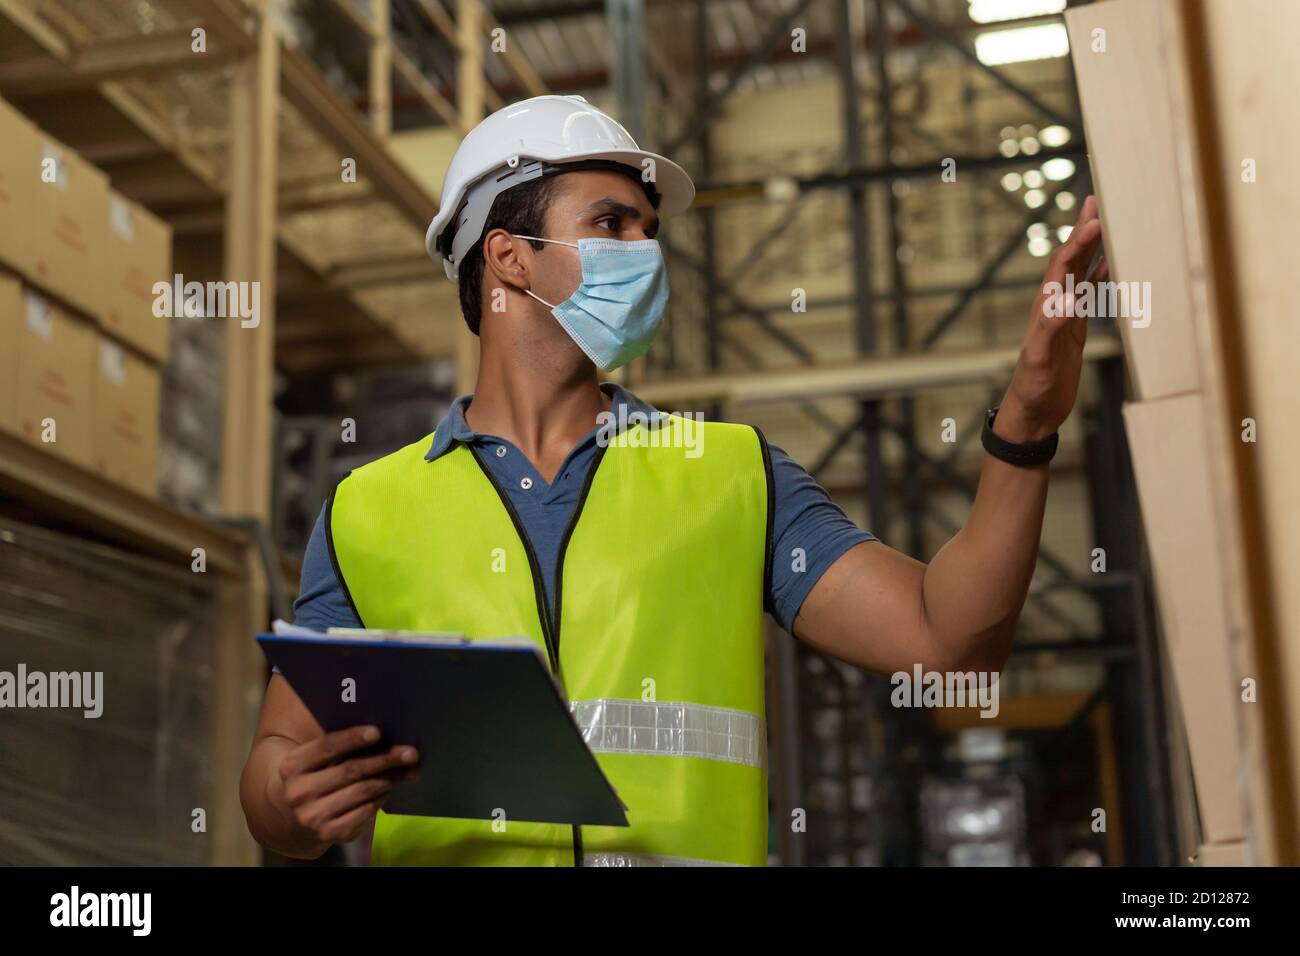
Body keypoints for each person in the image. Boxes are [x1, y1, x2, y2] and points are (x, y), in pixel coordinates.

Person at [239, 95, 1107, 866]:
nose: (645, 251)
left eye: (650, 231)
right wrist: (294, 807)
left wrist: (1026, 422)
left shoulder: (729, 472)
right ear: (509, 259)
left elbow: (948, 642)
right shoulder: (369, 510)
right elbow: (274, 773)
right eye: (611, 225)